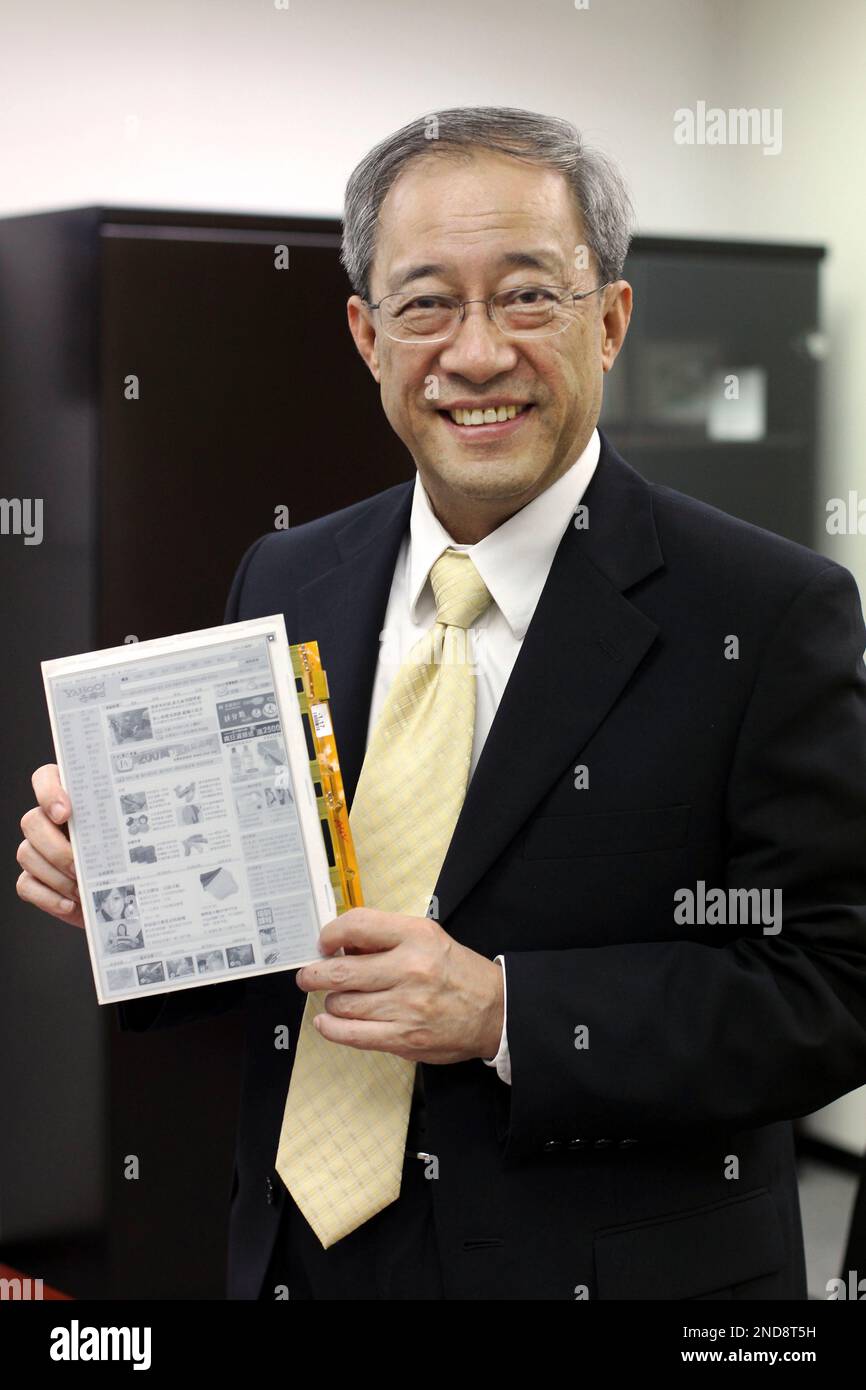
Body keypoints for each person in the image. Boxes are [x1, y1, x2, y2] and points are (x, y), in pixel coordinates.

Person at [15, 106, 866, 1301]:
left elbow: (829, 987)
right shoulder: (289, 572)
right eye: (424, 305)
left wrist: (503, 1009)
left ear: (609, 320)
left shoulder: (768, 610)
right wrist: (126, 886)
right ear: (367, 335)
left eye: (527, 296)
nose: (474, 354)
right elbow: (272, 929)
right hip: (294, 1256)